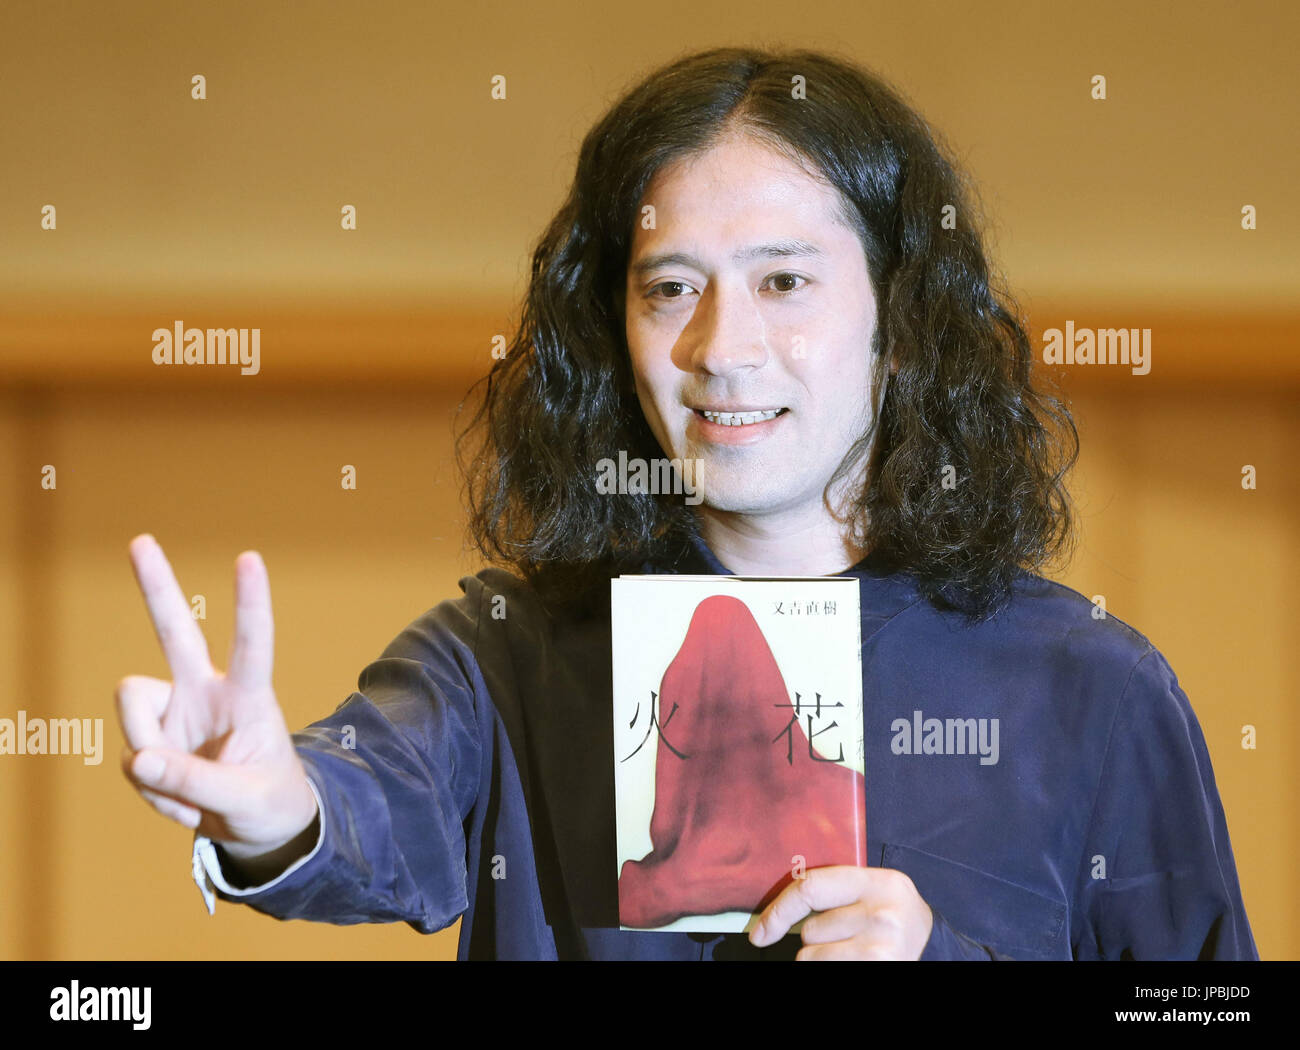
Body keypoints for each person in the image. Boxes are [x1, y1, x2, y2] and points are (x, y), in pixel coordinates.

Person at [116, 46, 1257, 961]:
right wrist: (276, 810)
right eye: (671, 289)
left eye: (783, 280)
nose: (722, 348)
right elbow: (368, 812)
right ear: (614, 333)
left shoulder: (1089, 684)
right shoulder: (505, 659)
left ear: (900, 325)